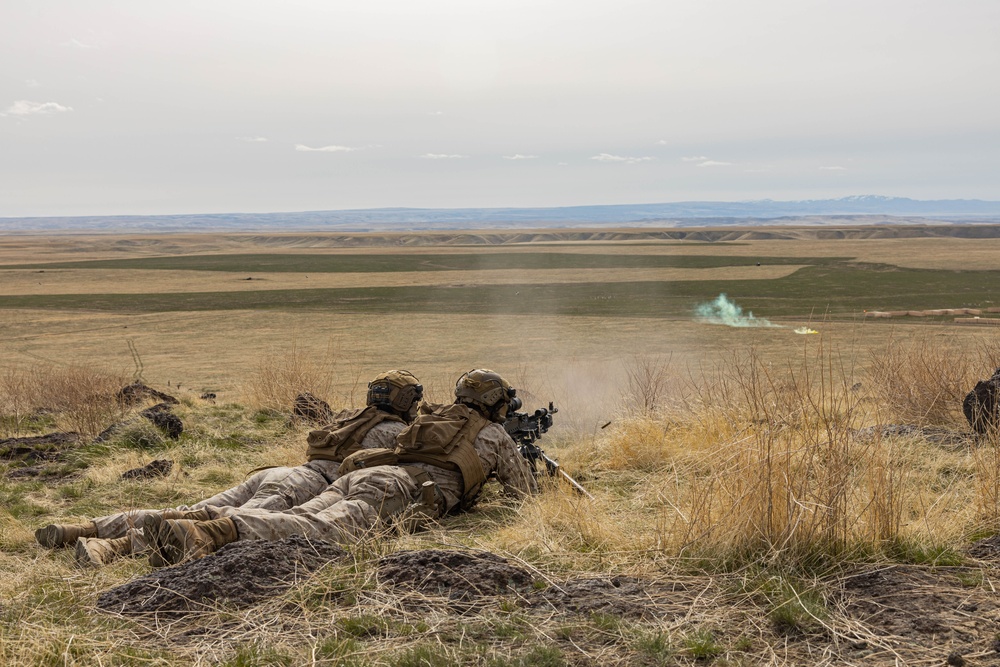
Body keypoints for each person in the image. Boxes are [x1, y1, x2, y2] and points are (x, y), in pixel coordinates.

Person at [34, 370, 423, 566]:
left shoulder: (348, 417)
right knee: (223, 520)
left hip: (276, 472)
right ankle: (113, 546)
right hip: (308, 482)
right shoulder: (396, 431)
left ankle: (81, 529)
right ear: (406, 400)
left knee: (193, 510)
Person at [148, 369, 538, 565]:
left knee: (302, 515)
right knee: (315, 530)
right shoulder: (493, 435)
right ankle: (213, 531)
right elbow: (524, 494)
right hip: (398, 491)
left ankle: (172, 529)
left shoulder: (428, 419)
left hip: (365, 475)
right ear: (496, 402)